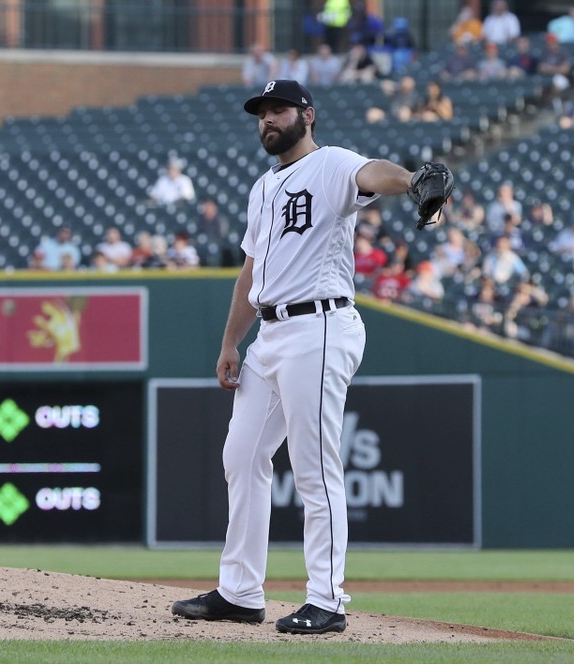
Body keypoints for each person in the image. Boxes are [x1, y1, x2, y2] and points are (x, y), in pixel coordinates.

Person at [170, 79, 432, 634]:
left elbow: (373, 173)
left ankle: (328, 600)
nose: (268, 119)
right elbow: (250, 273)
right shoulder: (262, 188)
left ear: (306, 115)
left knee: (314, 470)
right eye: (262, 112)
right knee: (241, 457)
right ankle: (240, 592)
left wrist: (411, 181)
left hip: (321, 324)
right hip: (269, 334)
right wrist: (229, 342)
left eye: (279, 109)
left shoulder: (331, 163)